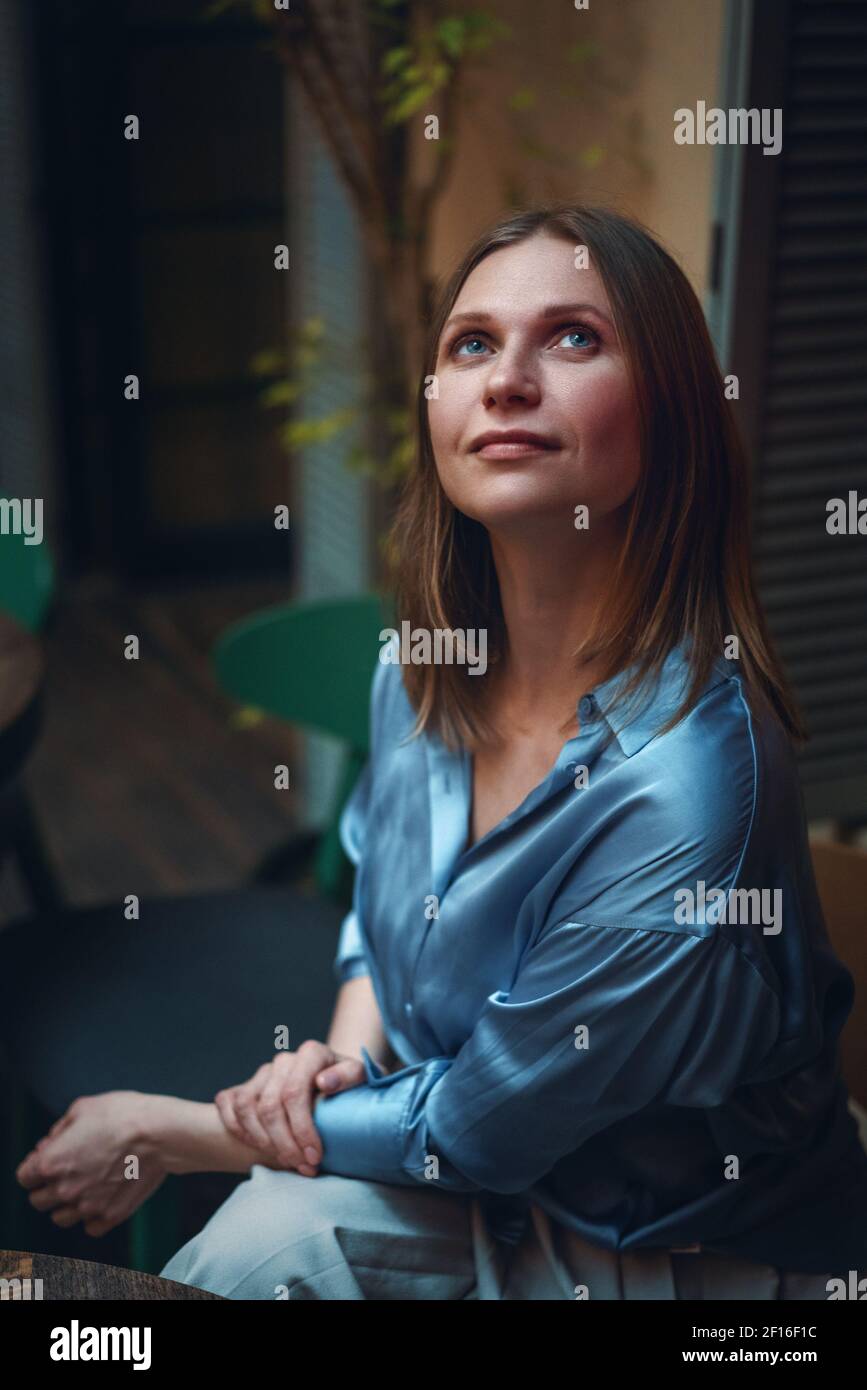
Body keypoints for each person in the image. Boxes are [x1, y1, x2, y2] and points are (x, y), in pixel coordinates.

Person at [16, 203, 867, 1299]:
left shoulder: (687, 788)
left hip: (691, 1255)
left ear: (675, 416)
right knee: (252, 1246)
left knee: (251, 1238)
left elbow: (479, 1130)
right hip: (487, 1169)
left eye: (574, 338)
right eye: (472, 343)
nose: (506, 379)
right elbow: (380, 916)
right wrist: (335, 1061)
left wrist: (170, 1131)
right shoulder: (420, 665)